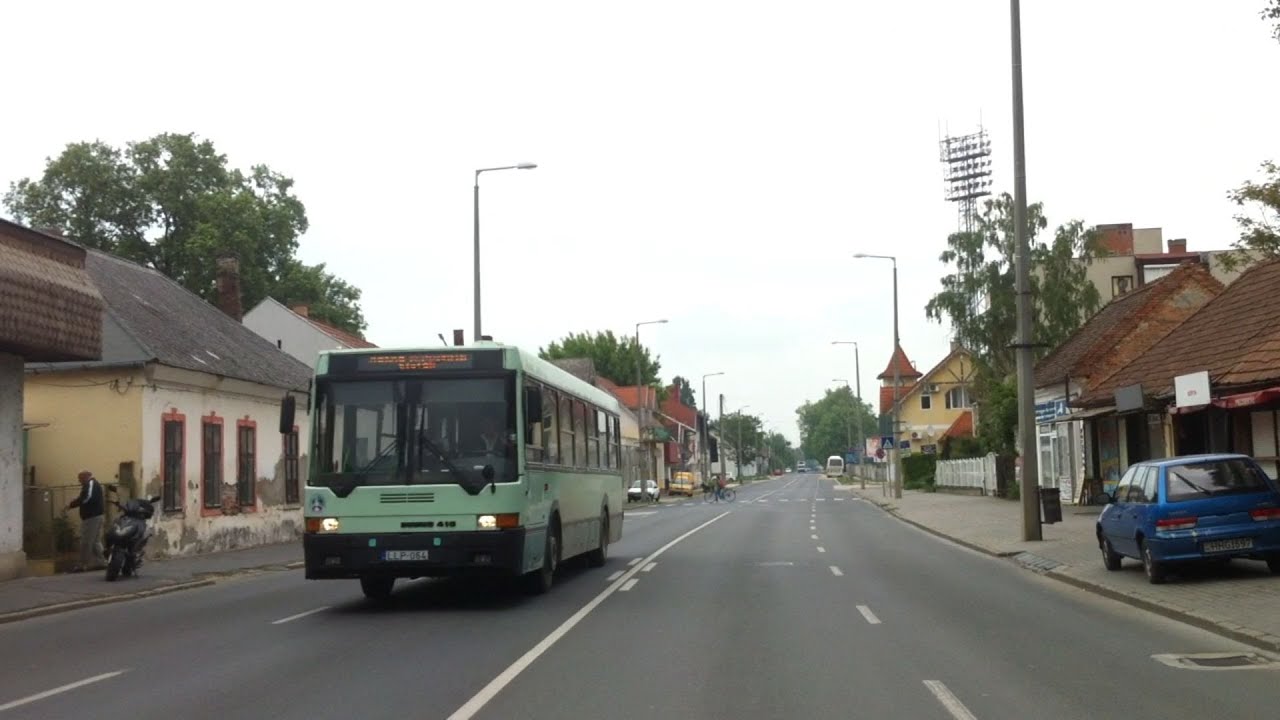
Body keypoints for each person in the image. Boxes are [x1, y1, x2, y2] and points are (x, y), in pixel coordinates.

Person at [66, 470, 105, 572]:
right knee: (95, 542)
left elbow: (87, 497)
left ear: (85, 477)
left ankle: (82, 565)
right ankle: (101, 562)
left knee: (86, 541)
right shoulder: (92, 484)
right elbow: (85, 497)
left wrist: (72, 504)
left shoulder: (91, 484)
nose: (79, 481)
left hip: (91, 517)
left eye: (80, 479)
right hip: (96, 516)